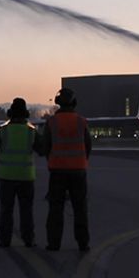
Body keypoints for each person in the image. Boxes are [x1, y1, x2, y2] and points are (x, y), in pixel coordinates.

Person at [39, 88, 92, 251]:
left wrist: (52, 161)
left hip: (57, 171)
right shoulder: (81, 121)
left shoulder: (52, 122)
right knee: (80, 208)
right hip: (78, 171)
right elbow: (88, 145)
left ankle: (54, 243)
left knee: (55, 209)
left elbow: (45, 147)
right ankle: (83, 243)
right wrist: (81, 161)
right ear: (74, 103)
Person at [0, 98, 41, 248]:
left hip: (7, 177)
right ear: (26, 114)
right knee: (26, 211)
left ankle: (5, 240)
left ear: (10, 114)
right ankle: (29, 239)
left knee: (6, 210)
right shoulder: (31, 132)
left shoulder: (3, 131)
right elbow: (43, 149)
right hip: (26, 177)